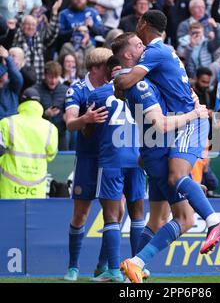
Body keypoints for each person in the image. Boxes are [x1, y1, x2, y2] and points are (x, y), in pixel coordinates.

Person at [114, 10, 220, 257]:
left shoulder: (154, 54)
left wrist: (118, 81)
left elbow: (125, 86)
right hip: (167, 135)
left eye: (138, 38)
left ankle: (213, 221)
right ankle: (135, 267)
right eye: (135, 45)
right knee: (161, 218)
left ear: (145, 24)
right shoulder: (159, 56)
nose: (139, 44)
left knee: (176, 183)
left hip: (184, 125)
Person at [110, 32, 210, 283]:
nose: (143, 46)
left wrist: (189, 98)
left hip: (154, 153)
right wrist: (195, 114)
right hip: (161, 153)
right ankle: (137, 262)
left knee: (157, 218)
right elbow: (160, 123)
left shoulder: (142, 76)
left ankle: (135, 267)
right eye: (137, 44)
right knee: (185, 219)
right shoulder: (138, 82)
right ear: (127, 54)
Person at [86, 58, 146, 283]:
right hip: (138, 158)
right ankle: (139, 267)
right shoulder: (142, 90)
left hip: (112, 159)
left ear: (111, 72)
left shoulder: (99, 94)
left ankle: (113, 271)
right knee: (138, 214)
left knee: (111, 217)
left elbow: (88, 130)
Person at [64, 47, 113, 281]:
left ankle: (102, 266)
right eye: (108, 67)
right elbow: (70, 123)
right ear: (95, 68)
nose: (113, 70)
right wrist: (86, 119)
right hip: (87, 160)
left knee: (115, 212)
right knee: (81, 215)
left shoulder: (117, 88)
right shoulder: (78, 90)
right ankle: (73, 266)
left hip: (112, 159)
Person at [0, 87, 58, 199]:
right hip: (37, 189)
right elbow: (51, 156)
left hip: (9, 188)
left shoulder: (7, 123)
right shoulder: (51, 128)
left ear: (21, 103)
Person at [12, 0, 62, 83]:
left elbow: (52, 33)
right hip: (21, 80)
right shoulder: (19, 36)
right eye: (28, 24)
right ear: (23, 26)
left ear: (36, 27)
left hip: (38, 81)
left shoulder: (39, 38)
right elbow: (17, 24)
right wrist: (20, 10)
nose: (30, 27)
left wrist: (54, 12)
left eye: (33, 25)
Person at [32, 61, 68, 151]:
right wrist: (45, 114)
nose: (53, 81)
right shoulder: (35, 90)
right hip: (40, 134)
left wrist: (67, 116)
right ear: (45, 75)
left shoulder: (65, 90)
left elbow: (71, 111)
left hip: (60, 135)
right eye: (50, 77)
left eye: (56, 77)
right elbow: (30, 115)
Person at [0, 45, 24, 120]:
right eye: (10, 55)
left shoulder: (13, 84)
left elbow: (16, 77)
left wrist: (7, 58)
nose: (10, 58)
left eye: (13, 56)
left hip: (9, 123)